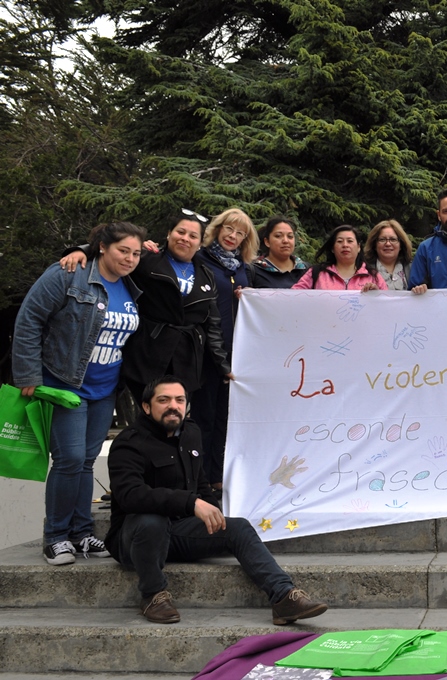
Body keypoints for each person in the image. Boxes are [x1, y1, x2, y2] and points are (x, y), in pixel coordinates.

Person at [106, 376, 328, 624]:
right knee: (152, 521)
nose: (173, 406)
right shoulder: (128, 443)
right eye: (164, 400)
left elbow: (199, 480)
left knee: (239, 527)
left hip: (177, 532)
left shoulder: (190, 432)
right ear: (146, 407)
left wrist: (212, 509)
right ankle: (153, 596)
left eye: (179, 400)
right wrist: (191, 503)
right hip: (134, 539)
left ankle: (284, 597)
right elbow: (130, 495)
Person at [13, 221, 146, 565]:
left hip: (105, 388)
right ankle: (56, 537)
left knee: (86, 461)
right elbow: (29, 318)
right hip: (65, 384)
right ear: (102, 247)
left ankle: (82, 534)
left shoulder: (131, 284)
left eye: (136, 253)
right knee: (70, 459)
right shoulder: (69, 273)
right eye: (123, 251)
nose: (130, 259)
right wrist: (27, 373)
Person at [60, 209, 232, 408]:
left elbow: (212, 325)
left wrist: (222, 365)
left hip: (187, 360)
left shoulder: (207, 275)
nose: (185, 238)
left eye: (193, 236)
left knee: (175, 417)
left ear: (200, 243)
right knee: (147, 414)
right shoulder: (147, 258)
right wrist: (82, 251)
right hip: (147, 355)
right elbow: (113, 253)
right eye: (180, 232)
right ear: (169, 233)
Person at [192, 208, 258, 489]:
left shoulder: (244, 267)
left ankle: (217, 477)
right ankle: (200, 478)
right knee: (204, 416)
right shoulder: (199, 258)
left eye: (240, 233)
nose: (233, 236)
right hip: (207, 350)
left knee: (226, 418)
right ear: (218, 228)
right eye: (229, 228)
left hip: (237, 352)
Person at [292, 224, 386, 291]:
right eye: (340, 241)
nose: (345, 245)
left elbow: (387, 305)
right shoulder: (316, 273)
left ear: (358, 247)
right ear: (332, 248)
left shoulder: (373, 276)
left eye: (350, 241)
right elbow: (293, 297)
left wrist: (377, 295)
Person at [250, 216, 309, 289]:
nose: (285, 241)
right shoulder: (254, 270)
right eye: (278, 236)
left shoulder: (306, 270)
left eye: (290, 236)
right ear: (267, 242)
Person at [364, 219, 414, 291]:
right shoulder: (364, 269)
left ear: (401, 245)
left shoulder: (412, 268)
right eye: (382, 239)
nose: (388, 244)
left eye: (393, 239)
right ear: (374, 245)